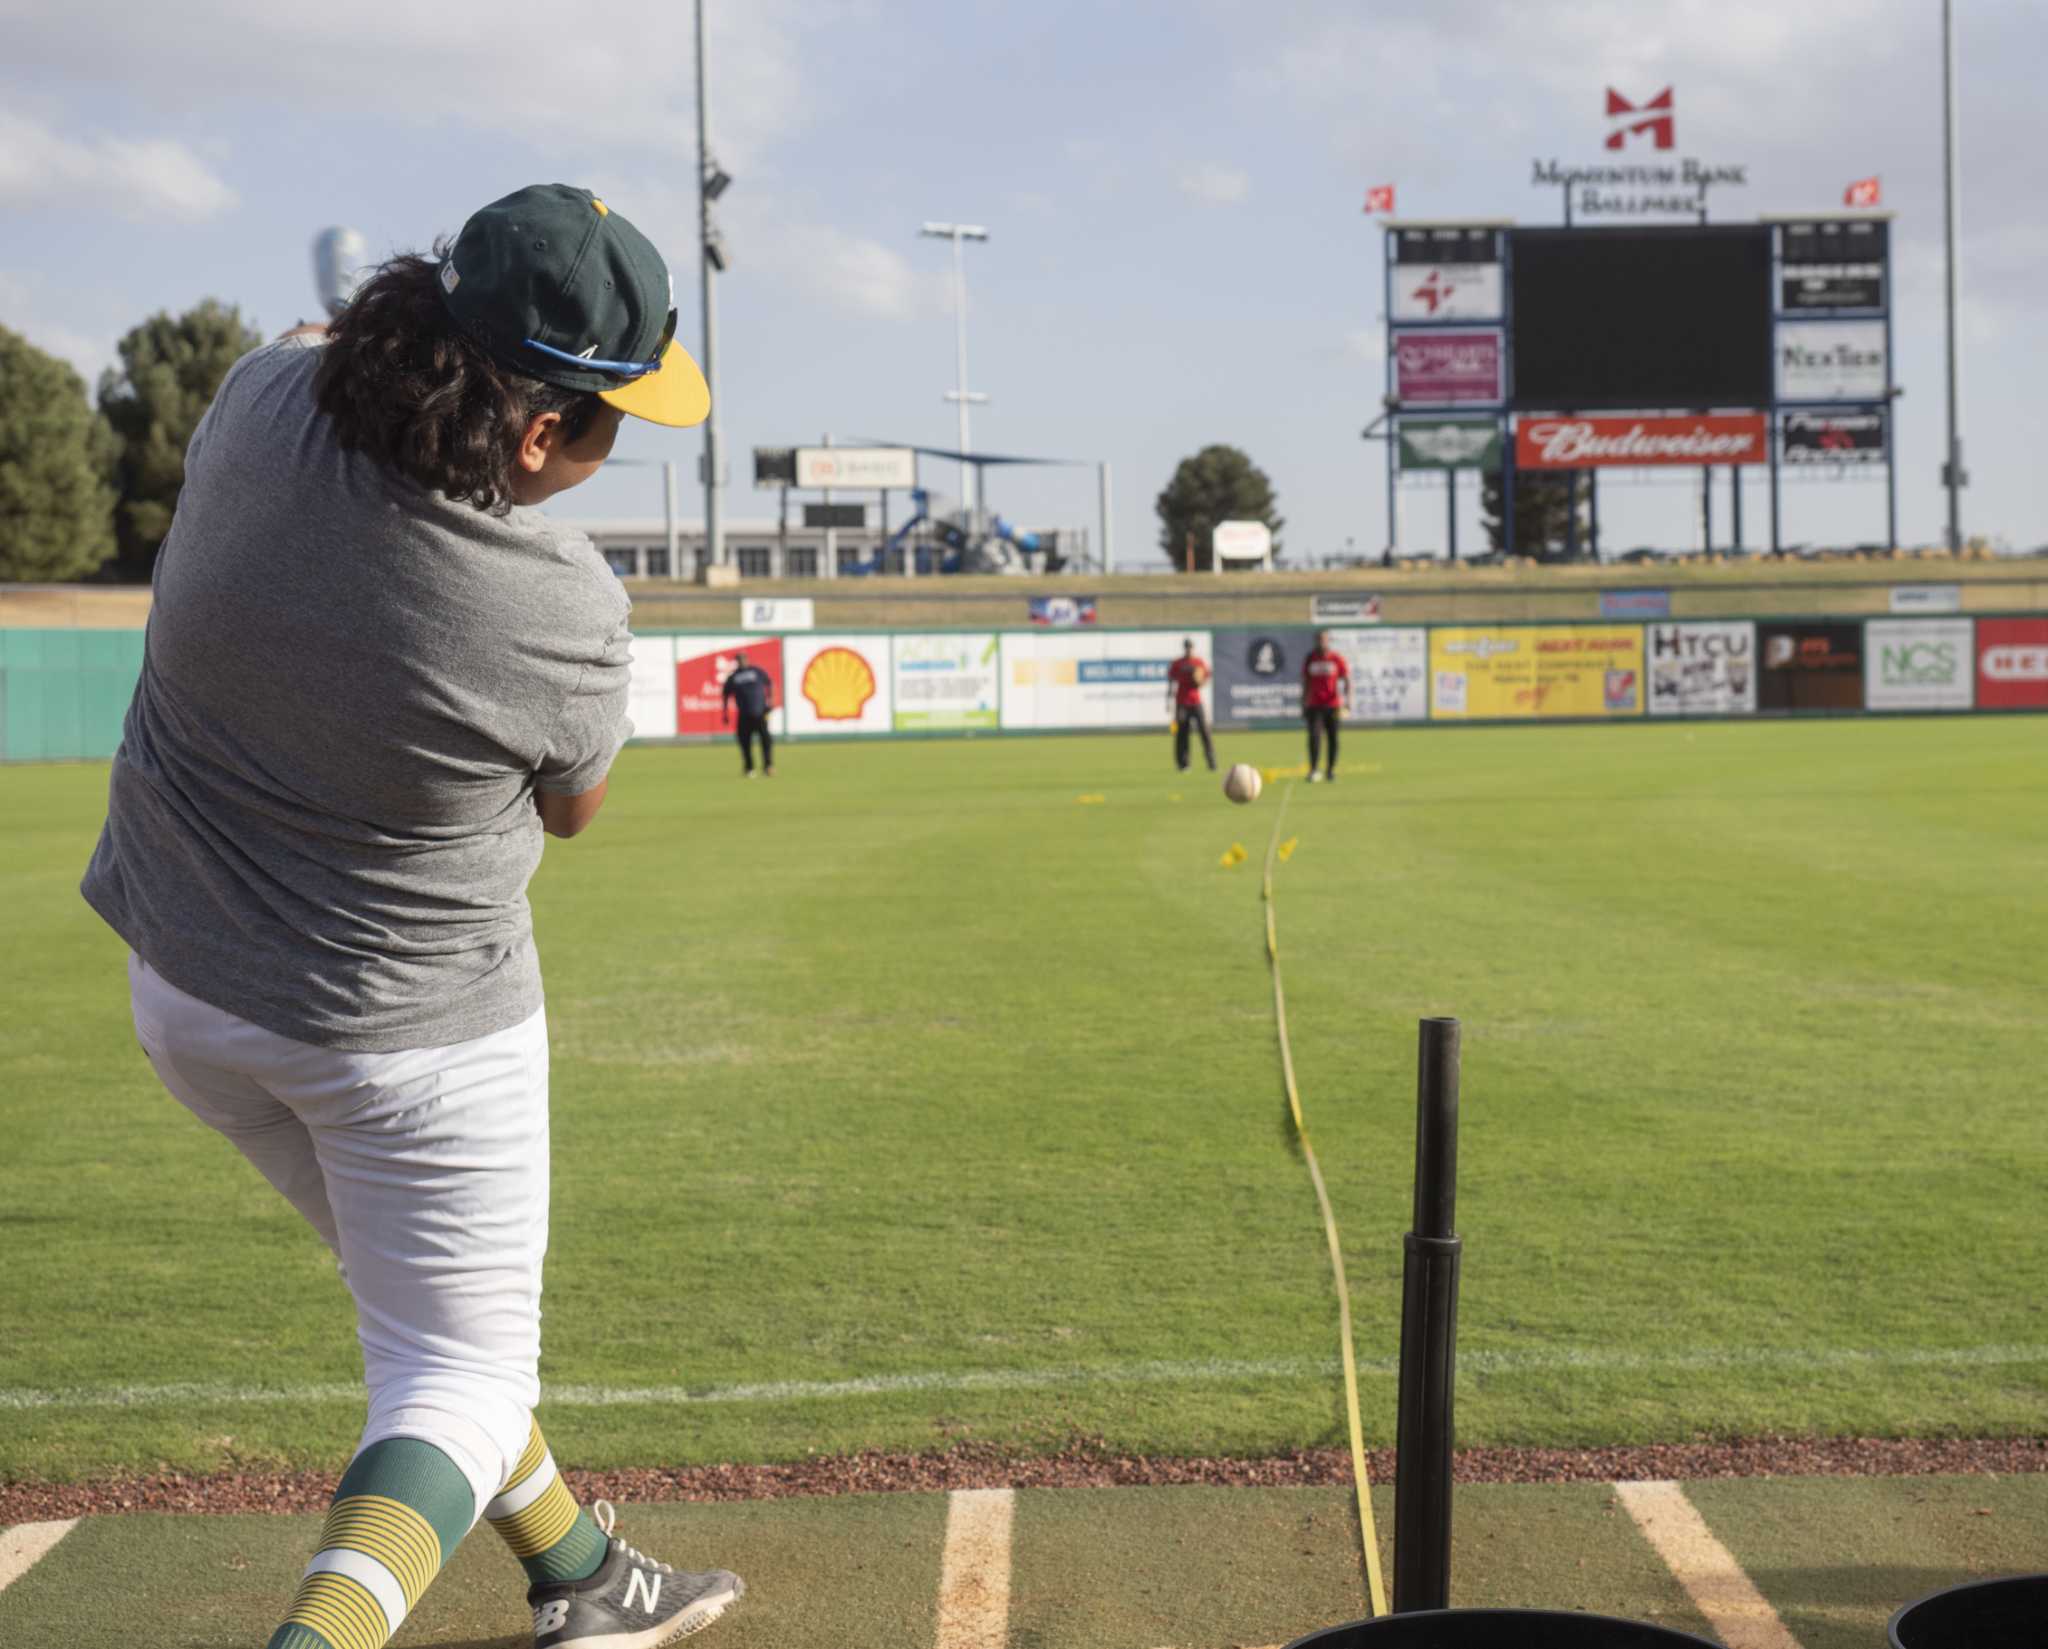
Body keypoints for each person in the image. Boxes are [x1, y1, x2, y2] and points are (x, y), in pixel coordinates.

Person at [79, 186, 744, 1649]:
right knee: (457, 1377)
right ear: (532, 434)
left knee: (439, 1343)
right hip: (406, 1044)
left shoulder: (256, 401)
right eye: (609, 417)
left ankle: (585, 1576)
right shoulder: (559, 603)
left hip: (183, 993)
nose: (611, 444)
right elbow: (575, 808)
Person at [1302, 629, 1352, 782]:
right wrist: (1303, 703)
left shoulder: (1336, 658)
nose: (1321, 642)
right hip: (1314, 705)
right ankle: (1314, 770)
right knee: (1314, 737)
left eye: (1324, 639)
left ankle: (1330, 771)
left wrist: (1348, 700)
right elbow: (1306, 682)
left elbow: (1346, 679)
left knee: (1333, 738)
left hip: (1333, 705)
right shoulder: (1310, 658)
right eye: (1318, 639)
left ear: (1328, 641)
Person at [721, 649, 776, 776]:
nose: (742, 661)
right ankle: (749, 768)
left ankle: (768, 766)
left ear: (747, 659)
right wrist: (725, 713)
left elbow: (769, 683)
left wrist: (771, 701)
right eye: (739, 659)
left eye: (743, 658)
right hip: (744, 714)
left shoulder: (757, 671)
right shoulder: (733, 677)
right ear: (736, 661)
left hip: (760, 712)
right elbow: (725, 694)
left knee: (766, 740)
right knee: (744, 742)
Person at [1165, 637, 1215, 772]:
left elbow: (1206, 678)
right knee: (1182, 733)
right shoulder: (1178, 663)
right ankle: (1183, 764)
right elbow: (1171, 681)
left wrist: (1200, 681)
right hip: (1181, 702)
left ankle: (1212, 763)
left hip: (1196, 702)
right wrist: (1168, 700)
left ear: (1193, 648)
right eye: (1187, 647)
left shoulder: (1198, 662)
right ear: (1184, 648)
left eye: (1190, 647)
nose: (1189, 649)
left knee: (1205, 731)